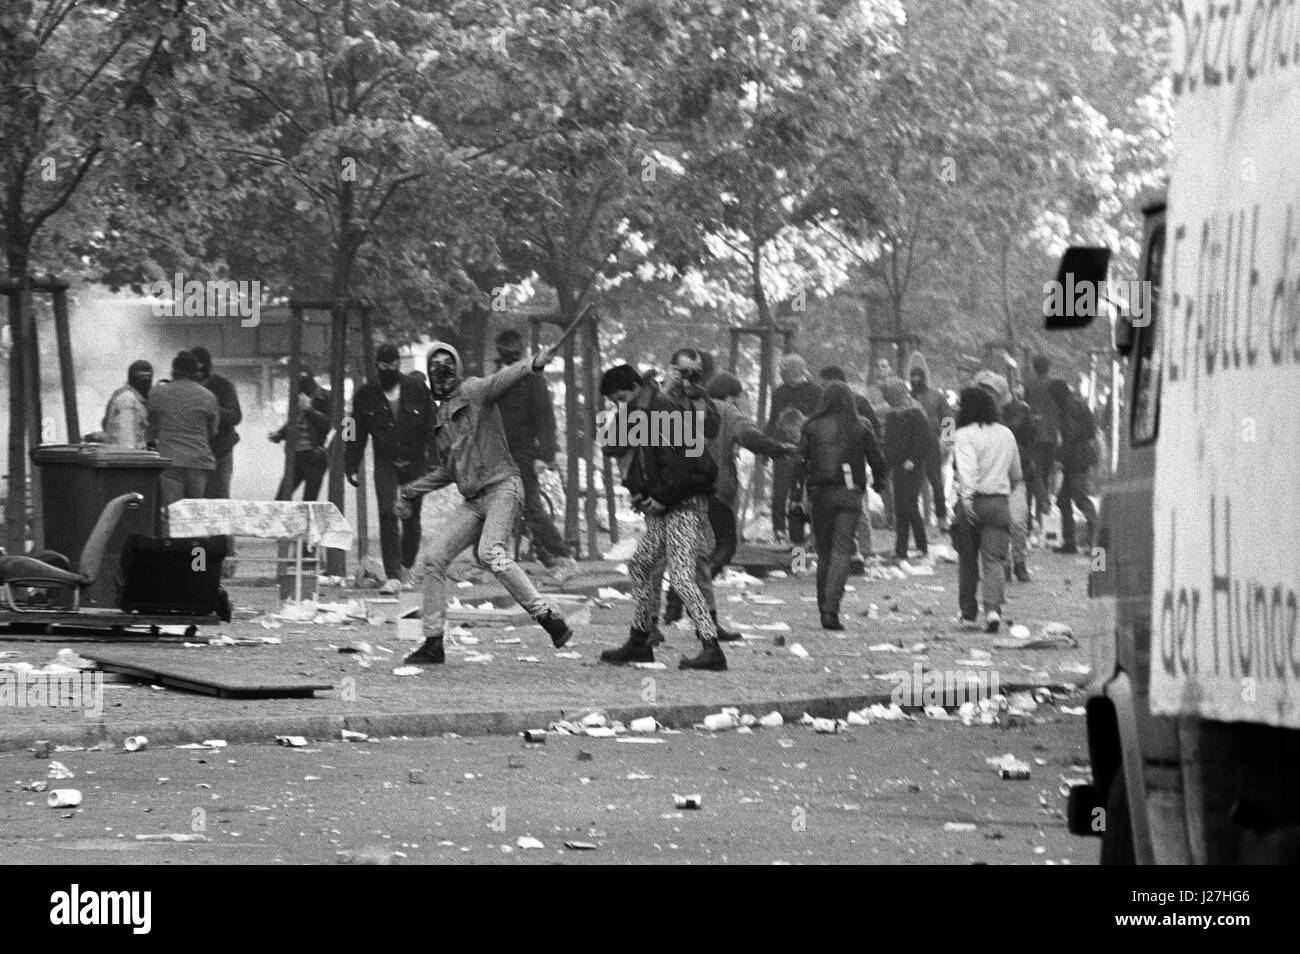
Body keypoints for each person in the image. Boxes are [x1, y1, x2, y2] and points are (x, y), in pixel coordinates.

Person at [395, 342, 574, 666]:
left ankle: (548, 615)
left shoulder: (474, 391)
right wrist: (411, 490)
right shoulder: (442, 418)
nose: (440, 371)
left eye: (447, 364)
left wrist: (533, 362)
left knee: (489, 552)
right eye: (434, 365)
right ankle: (433, 643)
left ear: (458, 368)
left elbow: (504, 378)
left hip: (504, 487)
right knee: (434, 558)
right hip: (474, 499)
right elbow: (449, 471)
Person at [597, 354, 725, 671]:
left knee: (681, 576)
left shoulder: (662, 409)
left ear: (636, 387)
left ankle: (712, 648)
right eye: (615, 403)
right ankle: (640, 640)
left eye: (622, 398)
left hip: (683, 505)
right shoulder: (640, 411)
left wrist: (660, 498)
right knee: (640, 567)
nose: (620, 405)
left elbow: (679, 464)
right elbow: (615, 447)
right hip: (666, 506)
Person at [658, 372, 795, 641]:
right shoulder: (725, 411)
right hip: (714, 491)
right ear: (731, 394)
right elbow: (752, 438)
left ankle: (682, 605)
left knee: (694, 551)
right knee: (720, 548)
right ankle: (689, 604)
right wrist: (780, 449)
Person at [490, 329, 579, 582]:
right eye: (506, 347)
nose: (510, 351)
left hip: (523, 453)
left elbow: (546, 419)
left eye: (513, 347)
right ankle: (496, 562)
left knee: (531, 509)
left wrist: (544, 455)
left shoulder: (533, 379)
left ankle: (563, 558)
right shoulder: (496, 377)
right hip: (498, 453)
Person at [344, 343, 433, 594]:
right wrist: (350, 464)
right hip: (385, 461)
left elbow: (432, 427)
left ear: (398, 366)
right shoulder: (364, 395)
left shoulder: (418, 390)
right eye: (383, 367)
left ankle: (406, 567)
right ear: (377, 367)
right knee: (386, 512)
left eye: (392, 367)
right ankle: (393, 575)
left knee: (411, 516)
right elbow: (352, 430)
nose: (388, 371)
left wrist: (435, 462)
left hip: (415, 461)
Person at [800, 381, 888, 629]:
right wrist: (879, 484)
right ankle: (831, 609)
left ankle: (822, 606)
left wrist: (797, 496)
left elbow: (801, 462)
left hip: (820, 495)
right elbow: (877, 460)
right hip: (850, 495)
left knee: (824, 552)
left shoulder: (811, 426)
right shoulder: (861, 426)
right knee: (842, 552)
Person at [951, 385, 1022, 633]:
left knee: (968, 561)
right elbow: (1016, 474)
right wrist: (1004, 491)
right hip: (998, 503)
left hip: (971, 503)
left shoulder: (963, 434)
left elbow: (967, 469)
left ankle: (968, 614)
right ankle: (992, 610)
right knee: (994, 560)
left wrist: (967, 498)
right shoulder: (1006, 434)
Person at [975, 370, 1034, 583]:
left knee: (1018, 522)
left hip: (1016, 474)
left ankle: (1019, 562)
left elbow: (1014, 430)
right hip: (991, 477)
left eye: (990, 392)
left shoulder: (1019, 410)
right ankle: (1003, 563)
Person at [148, 351, 219, 508]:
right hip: (199, 461)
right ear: (196, 372)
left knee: (172, 512)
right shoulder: (208, 396)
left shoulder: (157, 393)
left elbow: (151, 428)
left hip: (169, 460)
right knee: (195, 512)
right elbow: (213, 431)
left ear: (174, 370)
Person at [765, 354, 822, 542]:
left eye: (785, 371)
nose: (782, 375)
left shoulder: (815, 391)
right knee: (780, 491)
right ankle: (779, 529)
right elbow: (773, 420)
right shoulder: (780, 392)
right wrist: (767, 446)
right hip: (783, 449)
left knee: (803, 494)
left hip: (807, 450)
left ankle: (807, 535)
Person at [880, 379, 930, 560]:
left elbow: (924, 440)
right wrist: (886, 465)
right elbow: (889, 442)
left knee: (910, 504)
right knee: (900, 507)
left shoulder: (915, 414)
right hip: (898, 466)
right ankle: (901, 548)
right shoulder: (892, 416)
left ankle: (921, 545)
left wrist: (913, 460)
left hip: (913, 467)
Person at [1050, 378, 1099, 553]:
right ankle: (1070, 542)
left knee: (1080, 498)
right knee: (1064, 500)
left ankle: (1096, 542)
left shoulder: (1069, 407)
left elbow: (1070, 436)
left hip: (1076, 459)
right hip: (1079, 456)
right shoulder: (1077, 403)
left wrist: (1059, 457)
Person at [270, 366, 332, 501]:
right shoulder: (297, 398)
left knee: (309, 502)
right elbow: (294, 422)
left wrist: (309, 409)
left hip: (315, 455)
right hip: (297, 455)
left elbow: (331, 425)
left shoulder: (326, 397)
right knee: (281, 499)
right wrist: (280, 434)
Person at [907, 352, 951, 527]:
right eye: (913, 377)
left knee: (936, 482)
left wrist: (947, 442)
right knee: (912, 484)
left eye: (918, 376)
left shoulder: (936, 396)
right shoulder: (907, 397)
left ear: (924, 377)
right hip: (911, 444)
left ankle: (941, 519)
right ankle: (914, 520)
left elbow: (948, 419)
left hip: (932, 442)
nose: (916, 380)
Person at [1022, 354, 1061, 528]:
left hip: (1033, 434)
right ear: (1049, 367)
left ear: (1034, 367)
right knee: (1044, 475)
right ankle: (1041, 516)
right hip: (1052, 436)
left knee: (1032, 475)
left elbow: (1025, 407)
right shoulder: (1056, 384)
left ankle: (1031, 517)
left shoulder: (1028, 384)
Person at [102, 360, 154, 449]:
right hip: (127, 454)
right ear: (132, 379)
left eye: (149, 377)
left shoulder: (140, 398)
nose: (146, 381)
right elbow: (126, 438)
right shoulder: (127, 398)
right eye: (142, 377)